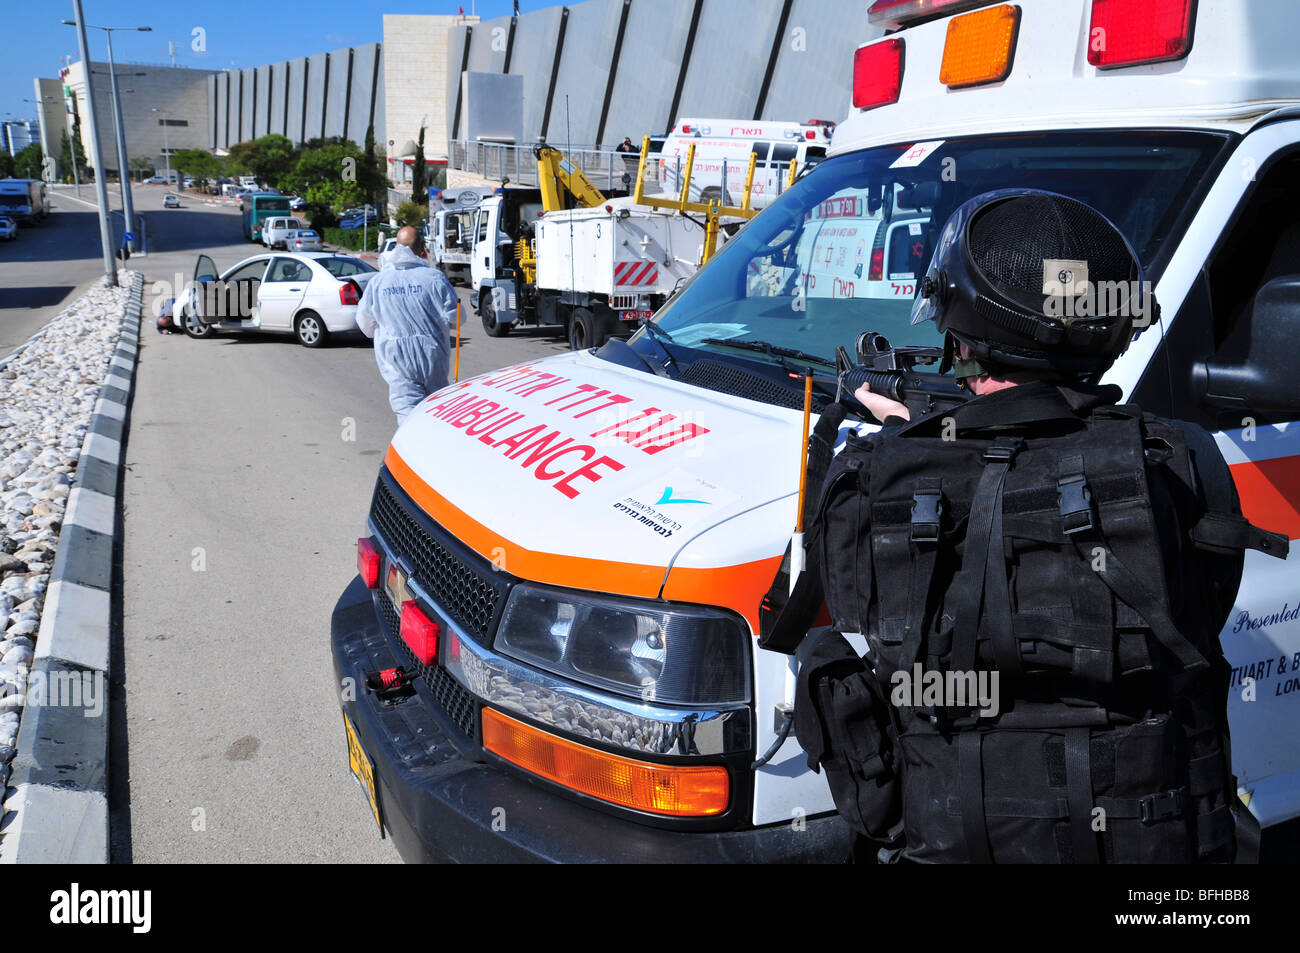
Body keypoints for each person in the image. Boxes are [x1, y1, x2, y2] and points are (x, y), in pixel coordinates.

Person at [788, 189, 1286, 864]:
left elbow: (842, 611)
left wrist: (912, 445)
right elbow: (1207, 605)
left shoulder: (876, 475)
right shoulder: (1181, 459)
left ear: (960, 332)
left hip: (948, 832)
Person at [357, 225, 459, 425]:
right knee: (437, 416)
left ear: (396, 247)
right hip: (433, 359)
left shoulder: (378, 283)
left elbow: (365, 325)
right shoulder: (434, 278)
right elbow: (457, 319)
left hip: (397, 363)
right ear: (422, 249)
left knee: (408, 422)